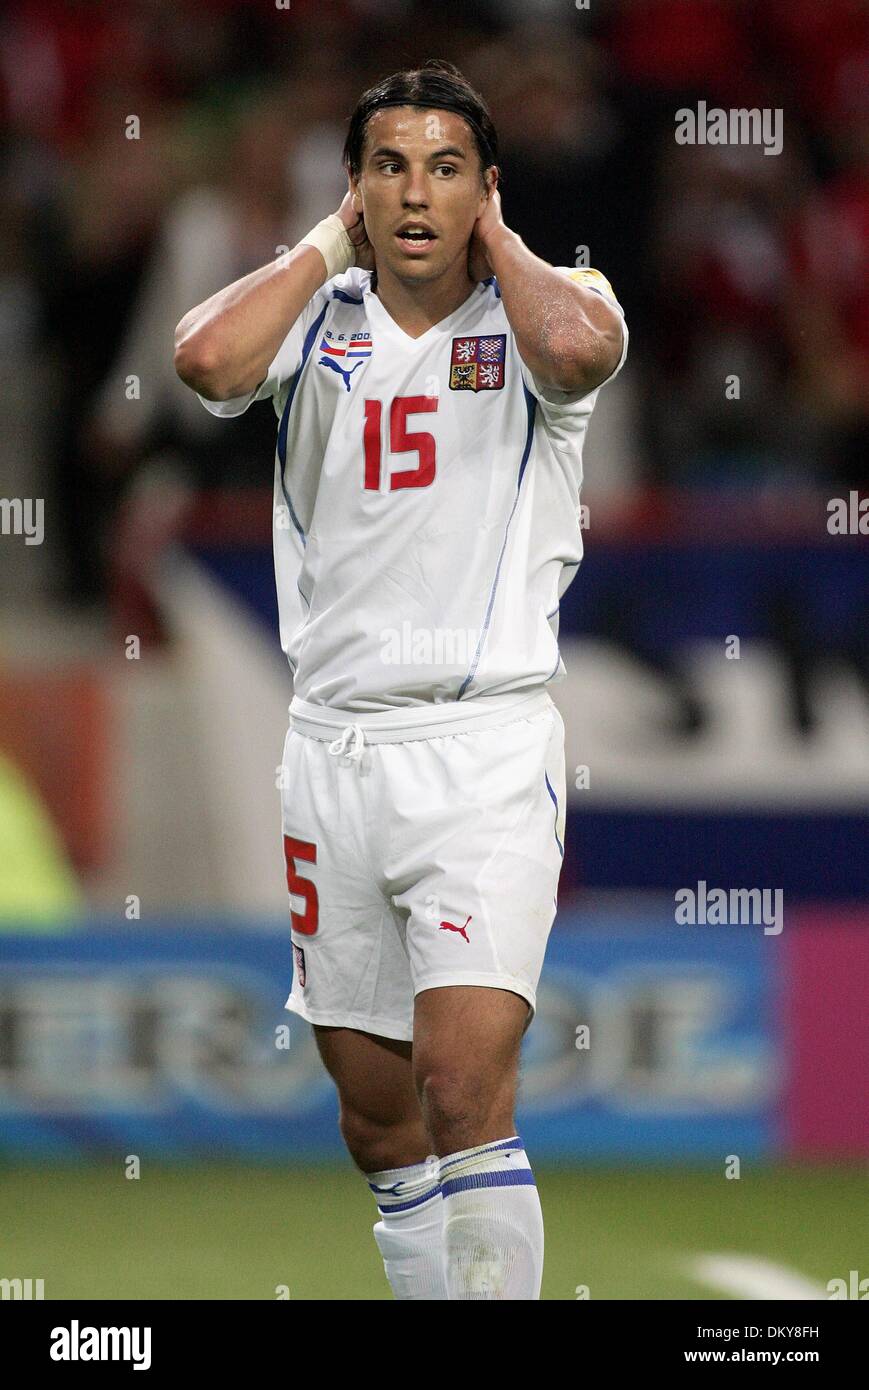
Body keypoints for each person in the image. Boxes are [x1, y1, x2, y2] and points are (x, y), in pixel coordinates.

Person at [174, 59, 627, 1301]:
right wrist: (325, 247)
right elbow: (205, 363)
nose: (414, 194)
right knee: (378, 1123)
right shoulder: (311, 319)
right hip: (331, 752)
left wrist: (502, 241)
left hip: (478, 750)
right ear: (354, 189)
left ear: (486, 188)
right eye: (387, 167)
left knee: (461, 1088)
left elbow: (583, 353)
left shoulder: (546, 308)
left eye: (443, 168)